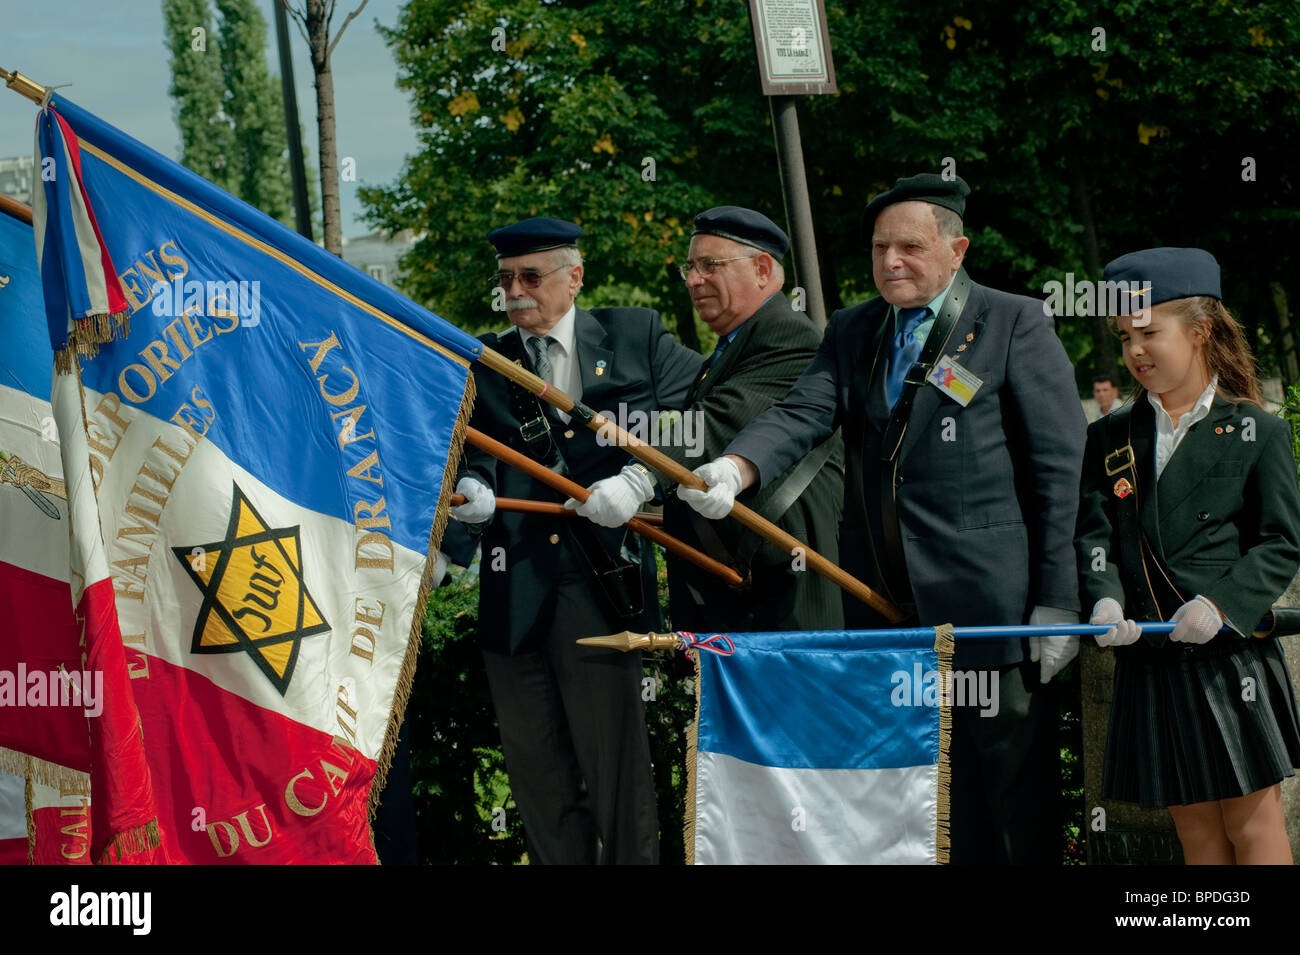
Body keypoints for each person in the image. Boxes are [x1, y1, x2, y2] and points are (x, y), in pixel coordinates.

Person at [678, 173, 1087, 863]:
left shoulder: (1013, 321)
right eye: (879, 248)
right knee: (915, 801)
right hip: (885, 614)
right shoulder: (854, 328)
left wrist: (1059, 598)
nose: (891, 262)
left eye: (910, 247)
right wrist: (737, 467)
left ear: (956, 250)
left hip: (994, 614)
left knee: (1012, 801)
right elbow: (801, 412)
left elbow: (1060, 469)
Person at [450, 217, 701, 864]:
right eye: (506, 278)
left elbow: (704, 411)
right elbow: (465, 453)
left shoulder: (633, 335)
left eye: (531, 276)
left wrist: (640, 478)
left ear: (574, 276)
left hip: (601, 589)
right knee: (540, 785)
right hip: (513, 594)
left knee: (619, 781)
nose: (515, 290)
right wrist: (470, 495)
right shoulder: (484, 358)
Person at [1075, 247, 1300, 865]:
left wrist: (1223, 604)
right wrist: (1105, 598)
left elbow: (1282, 541)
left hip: (1229, 658)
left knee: (1252, 829)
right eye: (1125, 337)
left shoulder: (1257, 429)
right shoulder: (1109, 435)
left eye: (1150, 332)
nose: (1135, 351)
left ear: (1200, 332)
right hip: (1149, 655)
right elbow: (1093, 534)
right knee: (1195, 835)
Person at [570, 206, 844, 632]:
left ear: (762, 269)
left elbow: (715, 421)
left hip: (781, 587)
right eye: (690, 267)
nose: (694, 280)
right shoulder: (728, 349)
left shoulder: (787, 336)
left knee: (793, 699)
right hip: (738, 589)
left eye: (710, 265)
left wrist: (639, 478)